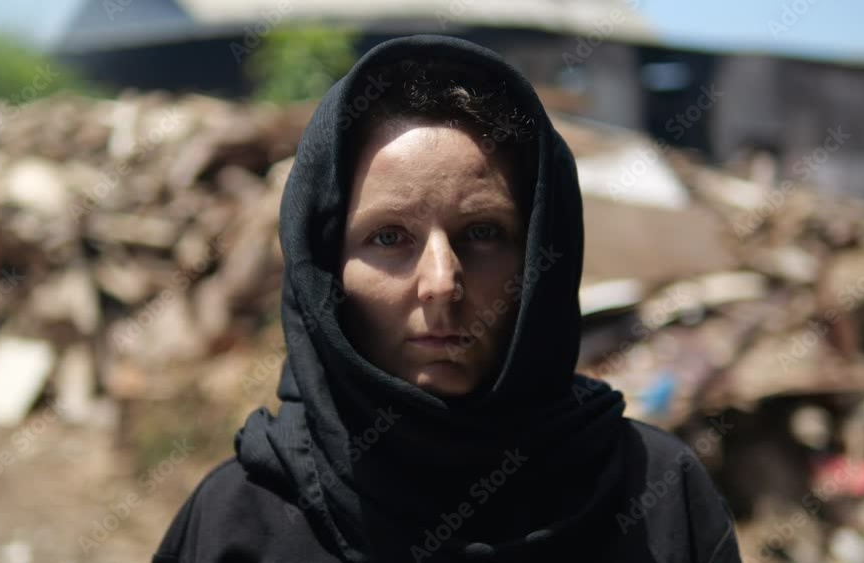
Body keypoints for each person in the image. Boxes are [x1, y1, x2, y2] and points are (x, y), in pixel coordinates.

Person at [151, 34, 742, 563]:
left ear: (542, 254)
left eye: (483, 234)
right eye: (389, 238)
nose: (441, 281)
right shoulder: (239, 520)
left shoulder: (657, 496)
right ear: (327, 267)